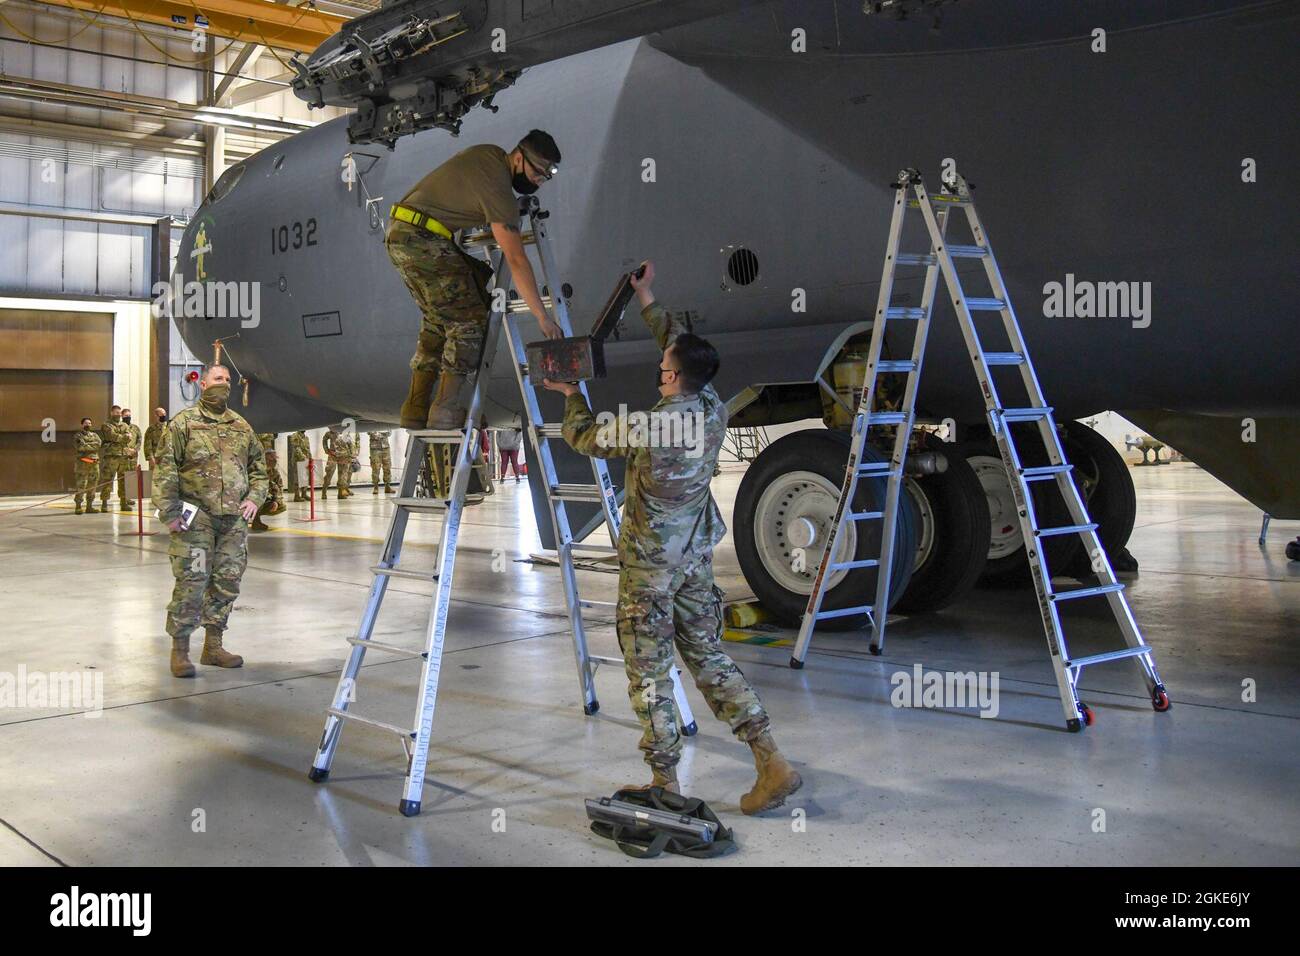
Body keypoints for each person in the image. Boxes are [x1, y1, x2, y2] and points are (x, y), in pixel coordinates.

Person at [543, 261, 802, 815]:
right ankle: (770, 759)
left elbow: (582, 437)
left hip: (649, 574)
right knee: (708, 656)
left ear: (672, 379)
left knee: (649, 673)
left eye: (663, 368)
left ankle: (664, 780)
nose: (660, 369)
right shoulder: (710, 408)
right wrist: (646, 299)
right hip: (693, 562)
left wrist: (570, 392)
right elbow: (679, 343)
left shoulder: (650, 426)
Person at [386, 130, 565, 430]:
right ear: (519, 157)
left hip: (402, 233)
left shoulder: (488, 155)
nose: (538, 181)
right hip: (422, 239)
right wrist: (542, 317)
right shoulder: (499, 191)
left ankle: (415, 407)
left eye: (545, 178)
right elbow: (517, 259)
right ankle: (447, 409)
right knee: (469, 322)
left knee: (438, 319)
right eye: (537, 173)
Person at [152, 364, 268, 678]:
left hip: (232, 520)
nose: (225, 384)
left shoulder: (241, 426)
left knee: (226, 582)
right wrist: (170, 513)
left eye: (228, 380)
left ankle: (213, 647)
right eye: (219, 379)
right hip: (196, 518)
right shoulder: (184, 423)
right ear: (203, 383)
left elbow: (259, 468)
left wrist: (255, 498)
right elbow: (166, 470)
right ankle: (180, 651)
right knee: (193, 581)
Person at [98, 404, 133, 512]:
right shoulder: (106, 425)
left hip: (123, 456)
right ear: (111, 413)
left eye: (119, 413)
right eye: (116, 413)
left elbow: (129, 438)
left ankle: (123, 503)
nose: (118, 415)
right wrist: (123, 437)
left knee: (123, 480)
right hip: (111, 456)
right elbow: (111, 436)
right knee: (107, 480)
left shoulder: (124, 425)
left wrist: (122, 437)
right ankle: (104, 503)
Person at [252, 433, 285, 530]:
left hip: (263, 497)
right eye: (271, 459)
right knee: (258, 495)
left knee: (281, 506)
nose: (274, 461)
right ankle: (254, 521)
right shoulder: (256, 469)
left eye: (275, 459)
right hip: (250, 499)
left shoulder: (274, 472)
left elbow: (279, 487)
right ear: (265, 459)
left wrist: (276, 501)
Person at [73, 417, 102, 514]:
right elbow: (80, 447)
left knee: (92, 485)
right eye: (86, 423)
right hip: (82, 464)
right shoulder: (78, 435)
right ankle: (78, 506)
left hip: (94, 464)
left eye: (89, 423)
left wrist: (87, 445)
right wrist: (91, 446)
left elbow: (98, 445)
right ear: (82, 424)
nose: (88, 425)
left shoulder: (95, 435)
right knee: (81, 485)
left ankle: (89, 506)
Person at [322, 425, 355, 499]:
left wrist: (351, 456)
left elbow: (350, 444)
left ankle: (340, 493)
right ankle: (324, 491)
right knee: (329, 473)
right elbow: (324, 439)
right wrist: (326, 450)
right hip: (333, 456)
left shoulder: (346, 433)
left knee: (342, 475)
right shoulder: (331, 432)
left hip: (344, 457)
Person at [287, 429, 311, 501]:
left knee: (305, 478)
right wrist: (303, 457)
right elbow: (297, 448)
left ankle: (304, 494)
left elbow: (308, 449)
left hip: (306, 460)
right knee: (297, 478)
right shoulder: (295, 436)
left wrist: (310, 458)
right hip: (298, 460)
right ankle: (297, 496)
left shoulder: (306, 438)